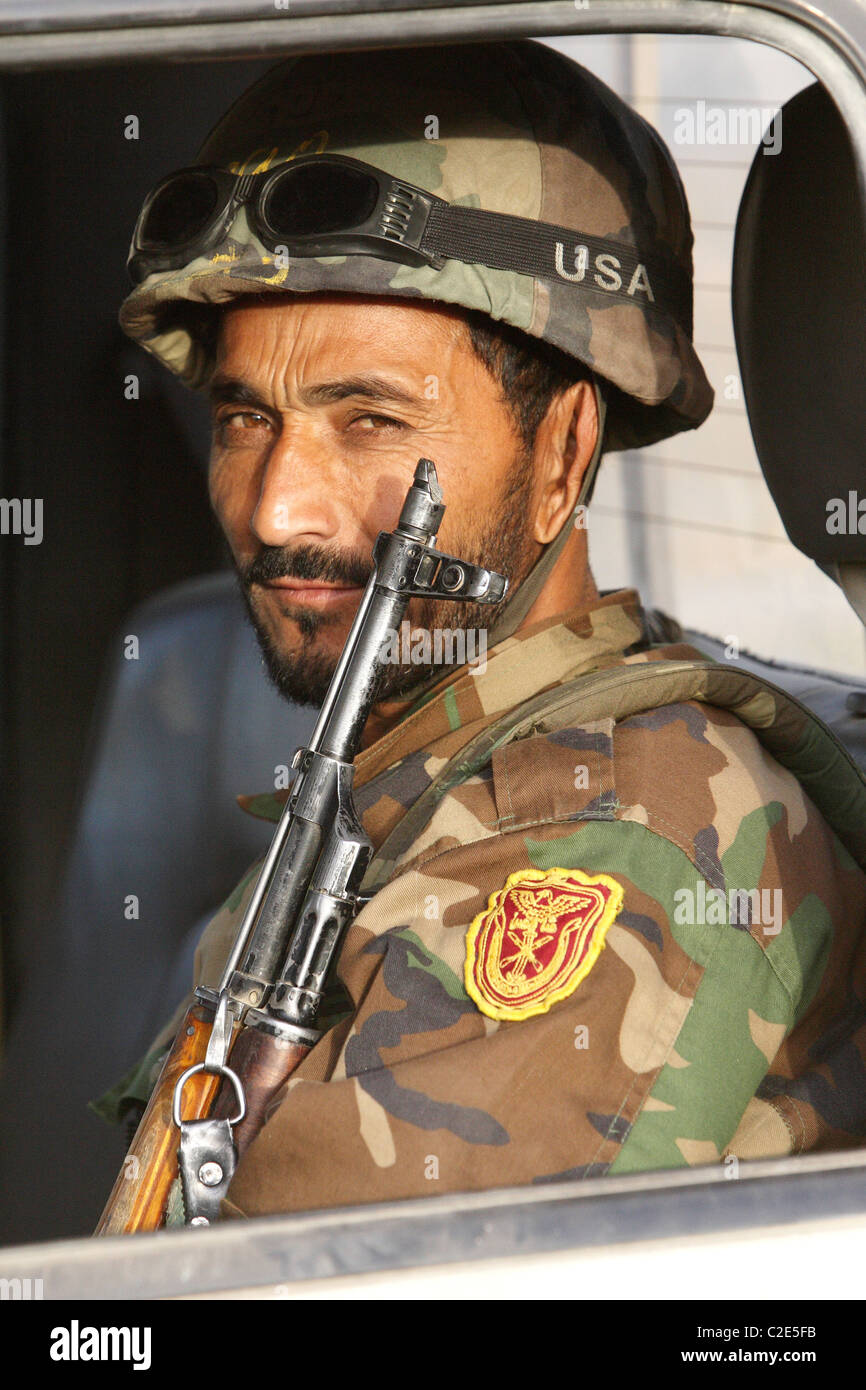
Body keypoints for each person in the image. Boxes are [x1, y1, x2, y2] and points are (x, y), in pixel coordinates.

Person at [100, 40, 866, 1219]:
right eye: (247, 417)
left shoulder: (606, 834)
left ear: (561, 455)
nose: (274, 505)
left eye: (368, 419)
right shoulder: (420, 775)